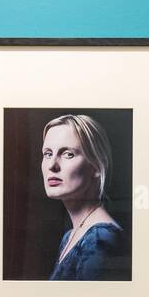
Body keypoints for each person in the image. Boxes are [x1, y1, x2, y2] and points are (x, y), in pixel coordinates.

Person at [41, 114, 130, 280]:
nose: (52, 165)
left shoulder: (100, 239)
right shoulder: (71, 235)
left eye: (68, 154)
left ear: (96, 166)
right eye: (47, 153)